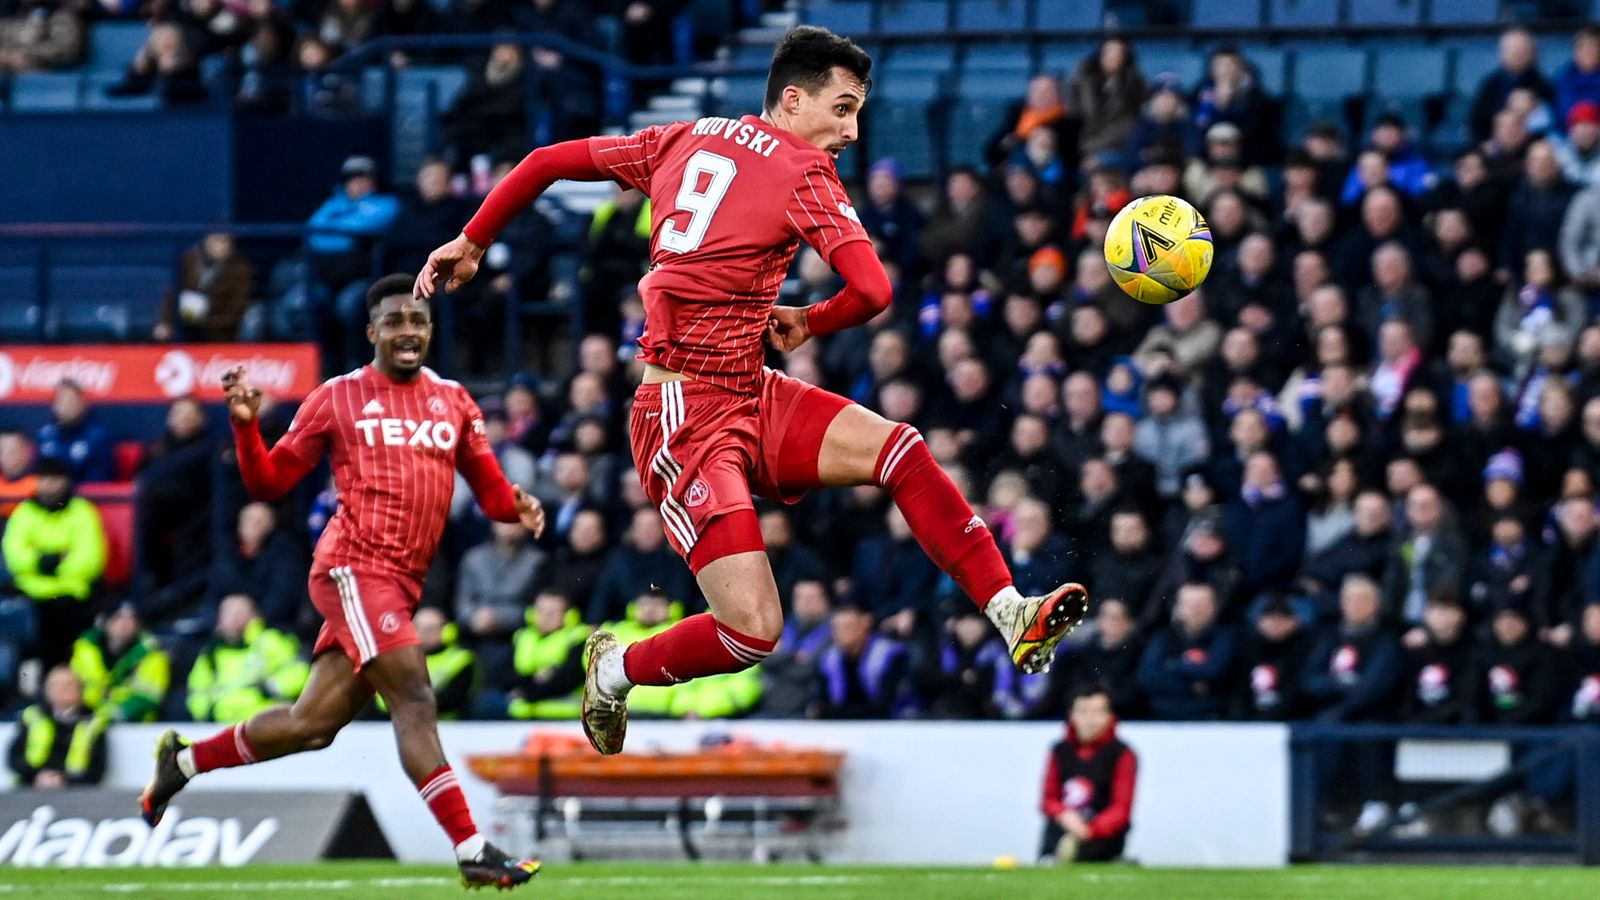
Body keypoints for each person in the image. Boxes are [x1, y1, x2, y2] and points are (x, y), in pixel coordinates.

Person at [418, 26, 1088, 756]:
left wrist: (473, 240)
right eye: (842, 109)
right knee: (753, 631)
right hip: (683, 416)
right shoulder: (803, 171)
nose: (852, 130)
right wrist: (809, 319)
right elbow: (871, 290)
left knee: (898, 450)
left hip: (749, 387)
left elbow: (547, 160)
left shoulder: (682, 136)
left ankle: (1009, 610)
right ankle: (616, 667)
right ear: (792, 100)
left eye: (858, 111)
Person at [137, 274, 546, 888]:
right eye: (395, 321)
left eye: (418, 321)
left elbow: (487, 493)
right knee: (414, 696)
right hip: (353, 568)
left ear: (430, 331)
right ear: (371, 331)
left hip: (400, 583)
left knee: (313, 726)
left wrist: (516, 503)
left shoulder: (456, 401)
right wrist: (249, 428)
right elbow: (269, 485)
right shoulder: (337, 397)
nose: (408, 331)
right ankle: (471, 849)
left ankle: (183, 763)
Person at [0, 456, 107, 671]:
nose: (49, 485)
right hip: (29, 592)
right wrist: (44, 561)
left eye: (54, 479)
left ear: (65, 481)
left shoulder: (82, 512)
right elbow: (14, 554)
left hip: (70, 593)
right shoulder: (24, 512)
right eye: (44, 479)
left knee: (60, 620)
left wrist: (49, 565)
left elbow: (90, 558)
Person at [1037, 683, 1137, 864]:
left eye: (1097, 712)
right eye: (1083, 711)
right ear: (1072, 715)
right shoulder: (1059, 751)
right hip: (1061, 830)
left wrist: (1089, 830)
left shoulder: (1123, 754)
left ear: (1109, 716)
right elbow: (1048, 799)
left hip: (1103, 839)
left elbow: (1121, 809)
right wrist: (1064, 815)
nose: (1090, 720)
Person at [185, 593, 308, 723]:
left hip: (265, 722)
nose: (232, 618)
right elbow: (197, 690)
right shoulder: (211, 652)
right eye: (227, 613)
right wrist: (206, 713)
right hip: (222, 723)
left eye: (238, 613)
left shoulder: (269, 640)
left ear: (253, 615)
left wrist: (269, 689)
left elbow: (299, 671)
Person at [7, 666, 107, 789]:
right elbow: (14, 758)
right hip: (31, 788)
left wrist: (63, 779)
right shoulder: (32, 716)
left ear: (80, 689)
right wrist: (37, 776)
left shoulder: (93, 722)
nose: (63, 690)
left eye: (69, 684)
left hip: (76, 794)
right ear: (47, 690)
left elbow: (97, 769)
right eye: (57, 685)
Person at [70, 603, 171, 724]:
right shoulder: (85, 647)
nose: (123, 625)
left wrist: (109, 714)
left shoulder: (152, 656)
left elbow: (149, 697)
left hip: (131, 723)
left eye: (131, 620)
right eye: (118, 618)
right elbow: (72, 684)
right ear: (106, 622)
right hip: (84, 717)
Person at [36, 380, 113, 484]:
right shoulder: (44, 436)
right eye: (62, 400)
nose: (67, 405)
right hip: (49, 498)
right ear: (54, 405)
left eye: (72, 400)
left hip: (83, 497)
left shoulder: (97, 437)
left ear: (82, 404)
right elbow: (36, 476)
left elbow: (98, 481)